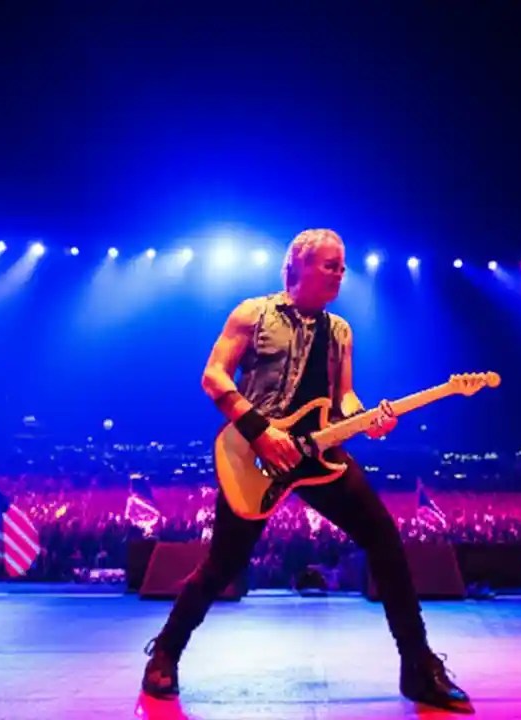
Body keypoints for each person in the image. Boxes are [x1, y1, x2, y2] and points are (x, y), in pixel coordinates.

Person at [141, 228, 472, 713]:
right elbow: (213, 377)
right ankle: (165, 653)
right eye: (329, 264)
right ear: (297, 264)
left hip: (319, 455)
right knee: (223, 563)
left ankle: (418, 665)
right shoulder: (252, 314)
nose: (339, 273)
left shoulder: (340, 331)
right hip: (257, 456)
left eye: (342, 266)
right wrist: (260, 431)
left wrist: (368, 419)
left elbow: (344, 397)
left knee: (384, 539)